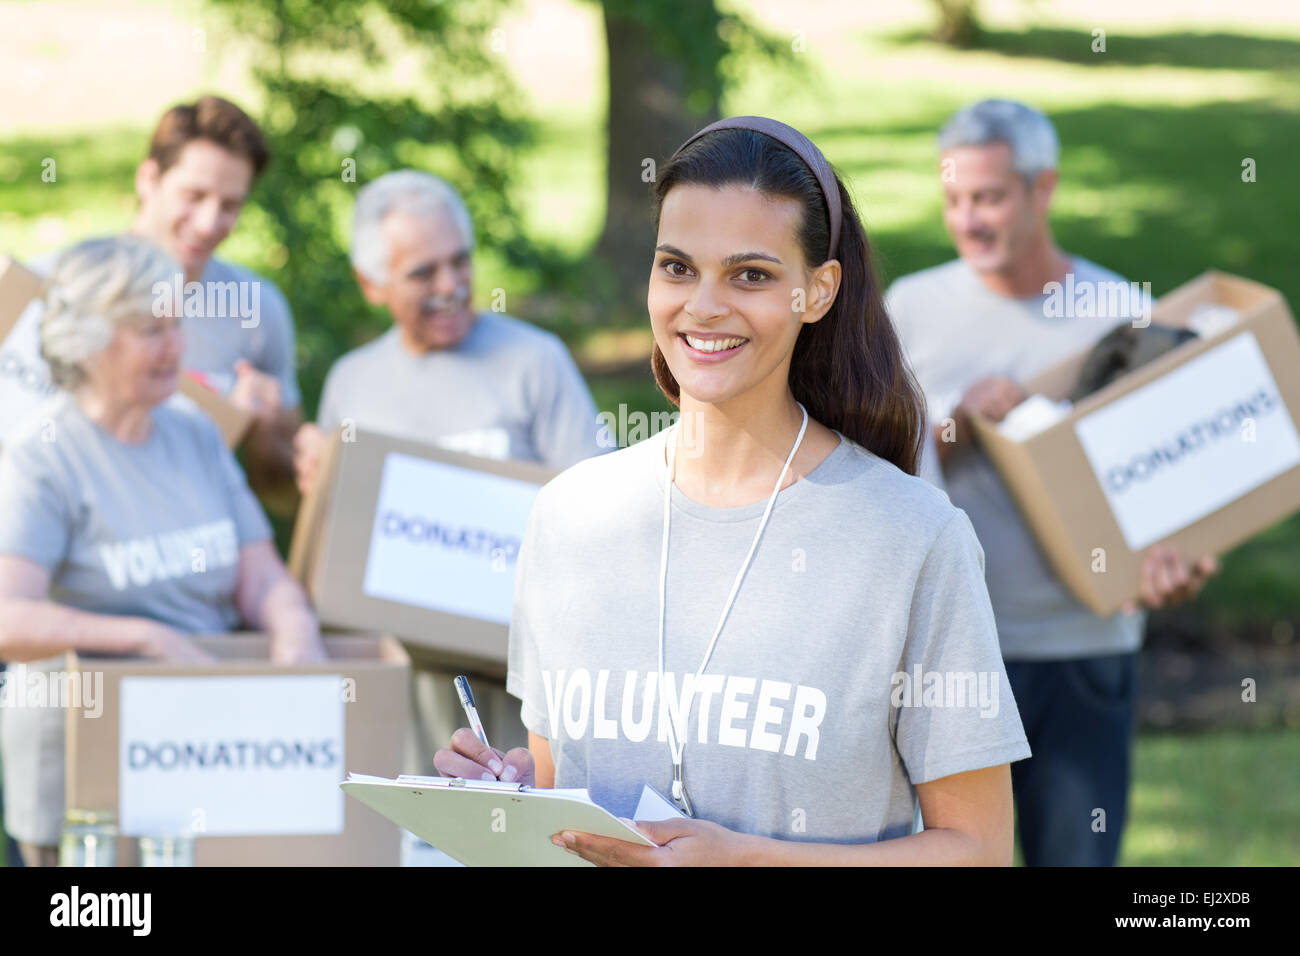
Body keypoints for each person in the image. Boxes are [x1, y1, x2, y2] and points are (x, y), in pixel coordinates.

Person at [435, 116, 1032, 865]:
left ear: (817, 291)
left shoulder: (912, 538)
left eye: (750, 274)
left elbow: (978, 849)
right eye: (677, 268)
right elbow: (567, 795)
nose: (704, 306)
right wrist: (515, 794)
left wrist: (746, 859)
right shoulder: (569, 517)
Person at [885, 99, 1218, 866]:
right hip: (946, 657)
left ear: (1044, 190)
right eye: (955, 199)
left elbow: (1177, 490)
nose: (969, 219)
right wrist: (957, 423)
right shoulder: (911, 310)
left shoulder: (1121, 317)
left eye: (990, 197)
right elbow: (878, 467)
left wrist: (1180, 559)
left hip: (1080, 648)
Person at [0, 236, 325, 867]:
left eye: (178, 323)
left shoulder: (192, 431)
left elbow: (259, 572)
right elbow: (8, 619)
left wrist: (295, 630)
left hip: (202, 760)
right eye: (152, 330)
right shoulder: (42, 457)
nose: (176, 346)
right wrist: (144, 637)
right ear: (88, 342)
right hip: (82, 791)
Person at [292, 170, 605, 783]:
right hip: (413, 693)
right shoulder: (352, 383)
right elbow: (339, 552)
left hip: (528, 685)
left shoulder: (533, 361)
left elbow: (602, 511)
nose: (452, 286)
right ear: (371, 284)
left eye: (460, 262)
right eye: (422, 273)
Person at [0, 95, 301, 509]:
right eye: (194, 195)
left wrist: (263, 433)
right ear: (148, 180)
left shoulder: (256, 310)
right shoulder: (51, 281)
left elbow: (283, 495)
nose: (209, 223)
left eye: (230, 205)